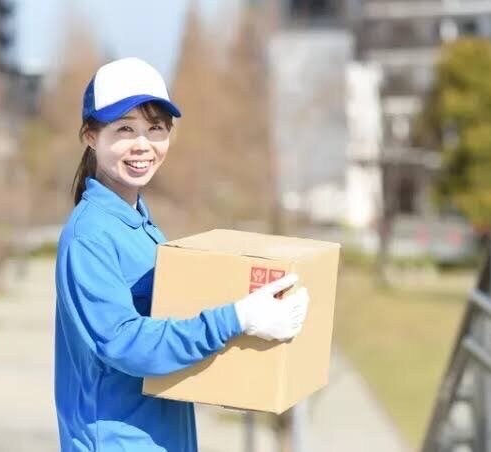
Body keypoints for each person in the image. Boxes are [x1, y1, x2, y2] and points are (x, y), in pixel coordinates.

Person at [54, 57, 310, 452]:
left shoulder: (139, 224)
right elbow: (124, 343)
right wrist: (237, 318)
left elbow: (171, 327)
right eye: (125, 129)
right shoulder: (90, 235)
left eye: (155, 128)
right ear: (91, 136)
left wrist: (259, 311)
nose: (143, 145)